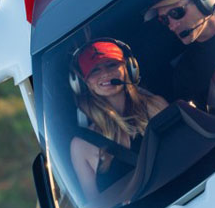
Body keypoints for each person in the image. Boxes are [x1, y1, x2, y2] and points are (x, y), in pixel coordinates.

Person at [69, 38, 167, 199]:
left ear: (129, 67)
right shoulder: (81, 145)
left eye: (111, 65)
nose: (106, 74)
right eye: (94, 71)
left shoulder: (155, 106)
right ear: (82, 83)